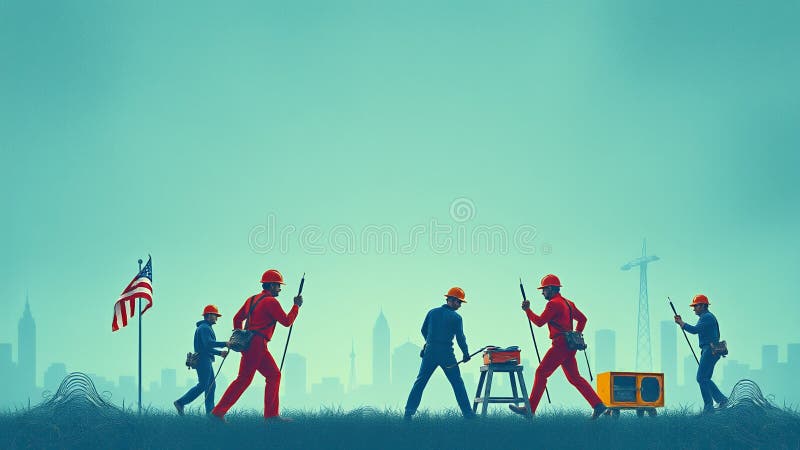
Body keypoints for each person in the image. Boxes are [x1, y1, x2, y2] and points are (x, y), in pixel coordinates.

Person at [509, 274, 607, 419]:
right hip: (570, 346)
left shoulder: (553, 304)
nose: (542, 292)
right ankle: (598, 405)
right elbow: (583, 319)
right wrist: (575, 336)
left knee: (541, 373)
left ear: (550, 288)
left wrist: (528, 310)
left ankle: (530, 410)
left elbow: (540, 322)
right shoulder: (568, 303)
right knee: (575, 378)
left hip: (560, 345)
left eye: (543, 289)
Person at [211, 269, 302, 422]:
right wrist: (296, 306)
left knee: (261, 377)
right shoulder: (271, 302)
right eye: (278, 285)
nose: (280, 288)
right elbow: (286, 322)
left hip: (248, 343)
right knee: (257, 378)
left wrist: (240, 338)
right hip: (258, 343)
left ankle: (218, 413)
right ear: (272, 285)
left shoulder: (251, 300)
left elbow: (237, 318)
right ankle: (271, 416)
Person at [404, 287, 477, 420]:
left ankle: (408, 413)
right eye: (459, 302)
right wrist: (466, 353)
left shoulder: (432, 313)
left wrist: (428, 343)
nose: (460, 305)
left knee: (420, 382)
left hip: (430, 353)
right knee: (457, 383)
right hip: (446, 354)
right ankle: (468, 414)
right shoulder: (456, 318)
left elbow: (423, 330)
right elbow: (460, 337)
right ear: (452, 300)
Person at [674, 294, 728, 414]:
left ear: (703, 306)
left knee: (701, 377)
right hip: (709, 350)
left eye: (696, 306)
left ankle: (710, 406)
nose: (694, 309)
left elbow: (694, 330)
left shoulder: (707, 317)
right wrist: (681, 323)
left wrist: (681, 323)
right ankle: (721, 401)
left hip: (709, 350)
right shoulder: (706, 317)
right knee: (705, 378)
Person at [174, 305, 230, 415]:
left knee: (211, 386)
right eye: (215, 315)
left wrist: (219, 353)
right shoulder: (204, 328)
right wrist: (225, 344)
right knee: (203, 385)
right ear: (208, 315)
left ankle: (211, 412)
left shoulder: (205, 327)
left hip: (205, 359)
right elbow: (208, 344)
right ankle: (181, 402)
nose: (216, 318)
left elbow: (206, 347)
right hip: (203, 360)